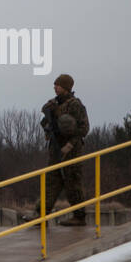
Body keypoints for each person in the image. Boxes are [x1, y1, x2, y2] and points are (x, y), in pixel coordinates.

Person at [36, 73, 89, 225]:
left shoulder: (75, 105)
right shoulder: (53, 104)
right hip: (55, 148)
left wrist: (70, 144)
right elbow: (46, 123)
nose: (55, 87)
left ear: (66, 87)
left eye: (58, 85)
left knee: (73, 181)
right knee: (51, 181)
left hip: (71, 150)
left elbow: (84, 128)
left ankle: (79, 216)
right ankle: (41, 215)